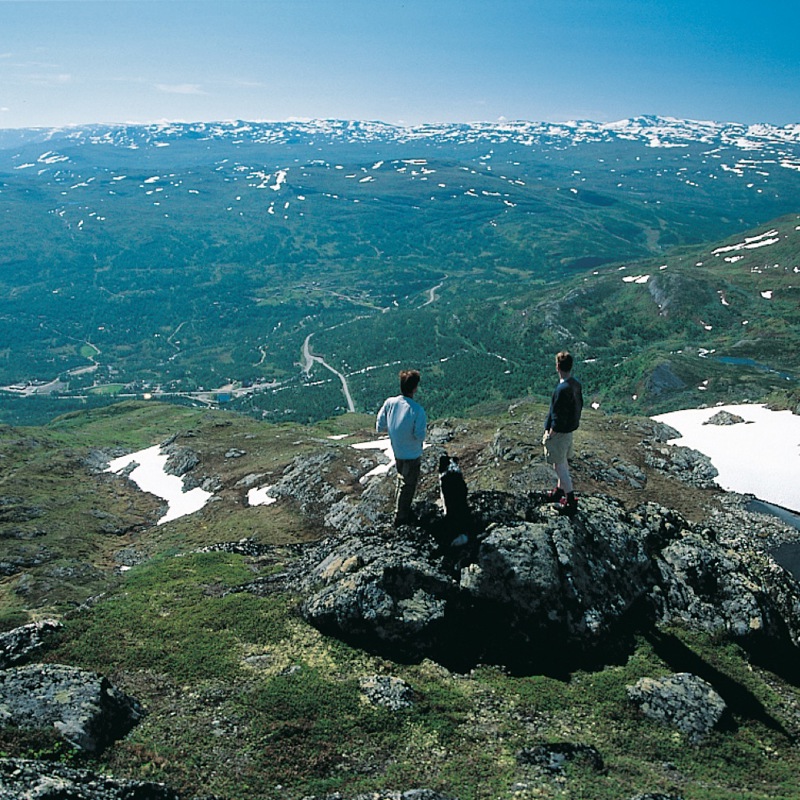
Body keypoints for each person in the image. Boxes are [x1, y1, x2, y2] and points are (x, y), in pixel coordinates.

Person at [376, 369, 427, 527]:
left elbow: (380, 426)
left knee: (401, 480)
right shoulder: (417, 410)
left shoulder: (390, 403)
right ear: (415, 388)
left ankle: (400, 510)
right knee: (409, 485)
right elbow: (420, 435)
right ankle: (401, 517)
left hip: (397, 451)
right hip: (412, 453)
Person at [543, 351, 583, 515]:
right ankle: (559, 491)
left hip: (559, 433)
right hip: (569, 431)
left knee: (559, 466)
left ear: (557, 366)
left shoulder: (561, 389)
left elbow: (557, 416)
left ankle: (570, 500)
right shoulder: (575, 384)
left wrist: (550, 434)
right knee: (562, 461)